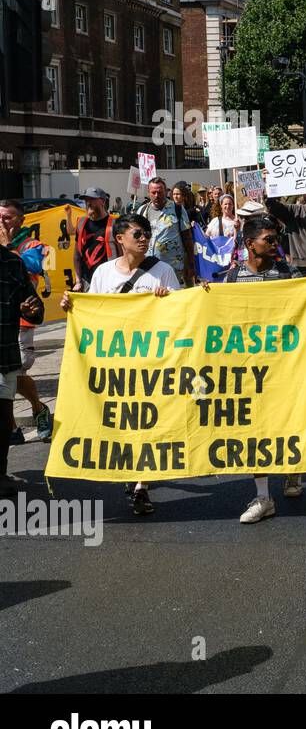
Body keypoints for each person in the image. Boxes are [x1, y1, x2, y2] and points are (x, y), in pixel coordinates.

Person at [61, 213, 180, 516]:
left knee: (146, 421)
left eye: (146, 233)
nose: (144, 239)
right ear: (120, 239)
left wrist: (167, 300)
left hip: (152, 362)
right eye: (138, 234)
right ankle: (130, 473)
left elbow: (181, 313)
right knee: (122, 420)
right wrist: (72, 306)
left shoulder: (162, 270)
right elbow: (93, 314)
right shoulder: (103, 273)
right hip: (115, 365)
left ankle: (142, 486)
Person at [219, 216, 306, 523]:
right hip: (250, 370)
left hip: (284, 366)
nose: (275, 244)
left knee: (288, 421)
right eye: (268, 239)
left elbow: (304, 309)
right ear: (249, 245)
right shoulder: (232, 278)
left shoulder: (288, 273)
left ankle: (294, 468)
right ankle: (262, 496)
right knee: (255, 431)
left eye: (276, 239)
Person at [0, 200, 53, 443]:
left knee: (16, 371)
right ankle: (10, 428)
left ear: (21, 221)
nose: (2, 223)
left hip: (22, 320)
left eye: (7, 218)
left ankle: (38, 407)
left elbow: (30, 265)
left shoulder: (34, 245)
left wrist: (7, 247)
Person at [0, 240, 43, 497]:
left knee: (3, 417)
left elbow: (35, 308)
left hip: (3, 353)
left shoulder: (12, 263)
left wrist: (31, 310)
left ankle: (1, 473)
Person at [136, 177, 196, 286]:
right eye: (153, 192)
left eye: (160, 192)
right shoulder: (142, 210)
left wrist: (191, 264)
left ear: (166, 192)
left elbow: (187, 238)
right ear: (149, 193)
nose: (157, 195)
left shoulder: (177, 209)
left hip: (173, 268)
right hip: (149, 267)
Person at [73, 187, 119, 291]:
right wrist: (78, 281)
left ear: (102, 201)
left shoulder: (116, 223)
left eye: (92, 199)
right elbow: (76, 256)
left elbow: (123, 254)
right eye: (86, 200)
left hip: (109, 281)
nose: (88, 203)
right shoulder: (81, 222)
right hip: (86, 283)